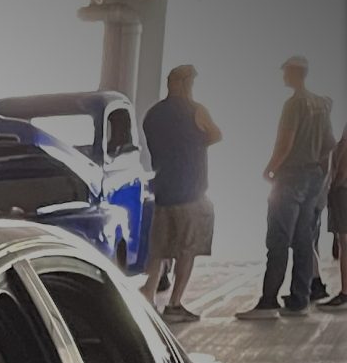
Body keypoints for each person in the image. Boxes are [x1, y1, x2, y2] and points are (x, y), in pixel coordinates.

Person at [239, 55, 336, 319]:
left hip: (290, 177)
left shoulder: (294, 104)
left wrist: (270, 168)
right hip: (313, 176)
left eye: (285, 72)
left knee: (279, 239)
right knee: (305, 239)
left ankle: (268, 302)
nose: (283, 76)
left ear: (294, 73)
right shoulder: (321, 104)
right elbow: (329, 145)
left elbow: (286, 143)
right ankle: (299, 300)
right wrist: (322, 178)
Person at [140, 65, 222, 323]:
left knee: (159, 251)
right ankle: (174, 304)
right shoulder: (195, 110)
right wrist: (196, 144)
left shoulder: (152, 115)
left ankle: (147, 300)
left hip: (163, 191)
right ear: (185, 83)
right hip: (191, 192)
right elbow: (216, 135)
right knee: (187, 249)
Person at [323, 127, 347, 311]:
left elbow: (343, 160)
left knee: (344, 242)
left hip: (343, 190)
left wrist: (334, 184)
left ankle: (345, 292)